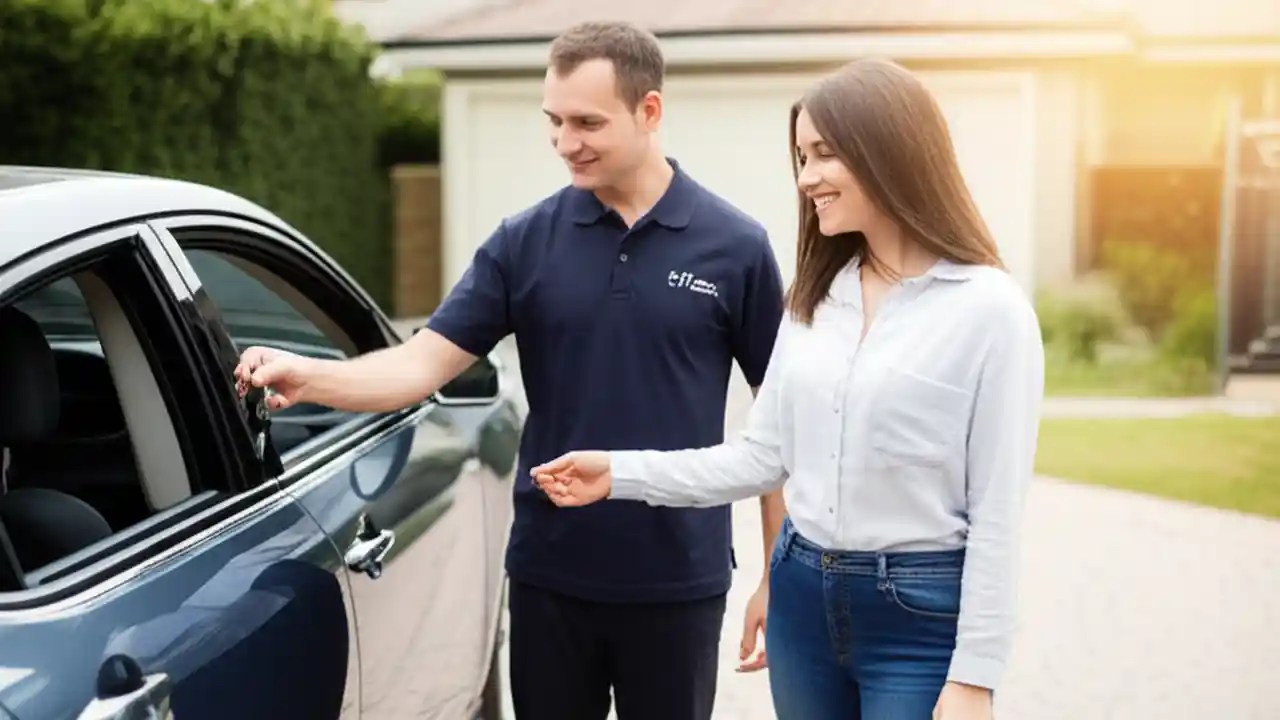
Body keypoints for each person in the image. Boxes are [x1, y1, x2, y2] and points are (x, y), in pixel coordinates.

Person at [233, 21, 787, 720]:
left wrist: (777, 574)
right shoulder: (524, 243)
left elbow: (779, 421)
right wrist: (309, 376)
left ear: (650, 111)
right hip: (550, 576)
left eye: (587, 122)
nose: (565, 142)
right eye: (554, 121)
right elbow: (418, 365)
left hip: (677, 580)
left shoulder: (735, 247)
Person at [531, 57, 1045, 720]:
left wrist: (976, 675)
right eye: (801, 157)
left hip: (917, 616)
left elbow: (998, 514)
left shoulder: (989, 310)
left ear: (888, 148)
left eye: (824, 155)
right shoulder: (815, 299)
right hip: (803, 598)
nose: (807, 180)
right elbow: (761, 456)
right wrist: (619, 473)